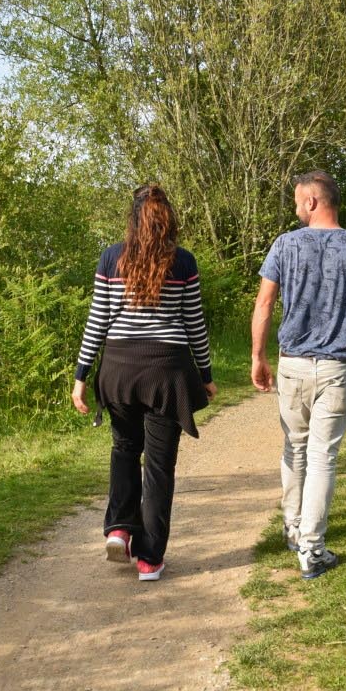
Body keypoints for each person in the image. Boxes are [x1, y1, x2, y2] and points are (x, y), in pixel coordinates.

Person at [72, 184, 216, 582]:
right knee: (158, 466)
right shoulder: (183, 262)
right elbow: (194, 326)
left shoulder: (111, 257)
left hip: (118, 369)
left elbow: (97, 321)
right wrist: (205, 376)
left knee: (123, 447)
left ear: (133, 219)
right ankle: (150, 558)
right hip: (165, 372)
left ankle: (119, 528)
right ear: (167, 217)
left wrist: (81, 376)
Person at [251, 170, 346, 579]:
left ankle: (294, 528)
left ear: (312, 201)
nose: (295, 208)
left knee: (295, 448)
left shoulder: (284, 245)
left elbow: (264, 305)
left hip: (292, 365)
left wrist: (258, 356)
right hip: (335, 369)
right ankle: (311, 548)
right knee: (322, 456)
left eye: (297, 200)